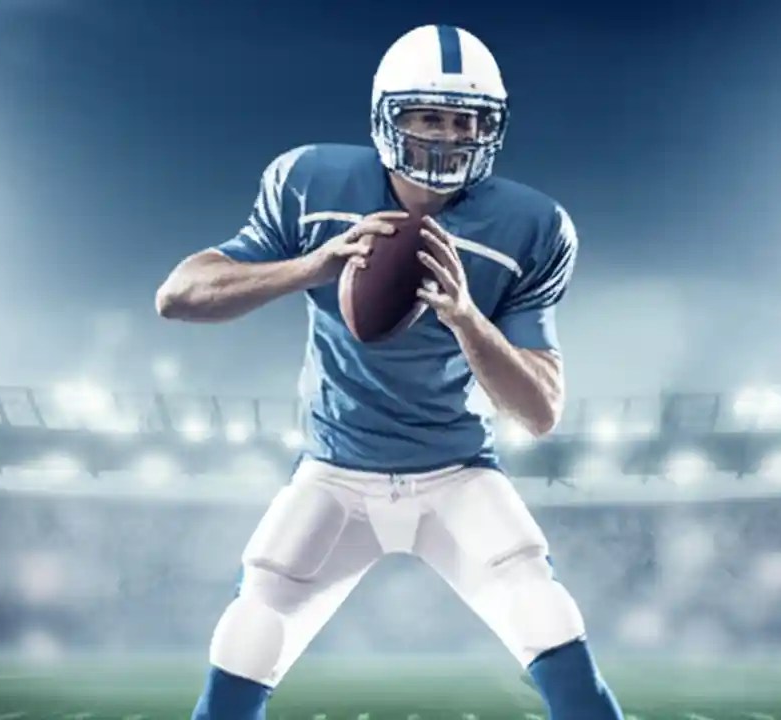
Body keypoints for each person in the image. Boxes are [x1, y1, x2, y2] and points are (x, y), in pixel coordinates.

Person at [156, 23, 625, 720]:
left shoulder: (532, 227)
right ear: (385, 117)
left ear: (491, 128)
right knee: (251, 631)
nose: (447, 137)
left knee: (545, 612)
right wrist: (312, 266)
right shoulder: (312, 183)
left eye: (465, 120)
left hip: (456, 471)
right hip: (335, 470)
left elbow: (540, 409)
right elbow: (178, 296)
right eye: (428, 117)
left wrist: (467, 319)